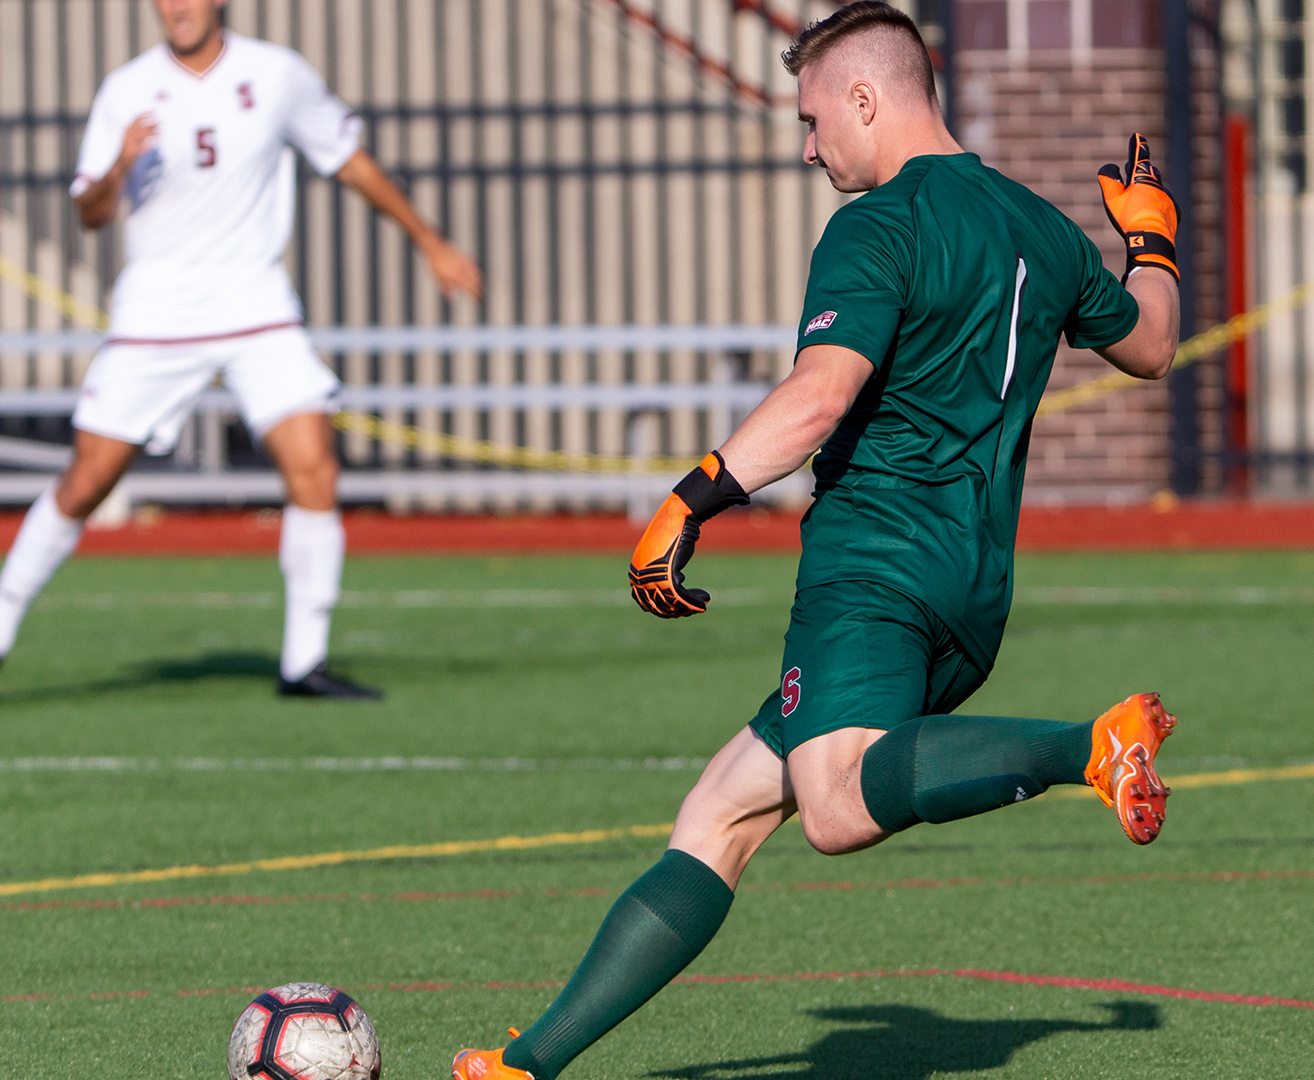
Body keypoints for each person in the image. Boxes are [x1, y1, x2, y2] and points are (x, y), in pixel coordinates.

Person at [450, 4, 1181, 1077]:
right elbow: (1155, 344)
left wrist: (692, 498)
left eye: (810, 117)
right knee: (722, 813)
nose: (807, 146)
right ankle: (526, 1063)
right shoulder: (1040, 226)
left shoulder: (878, 225)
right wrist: (1152, 237)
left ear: (866, 99)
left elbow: (819, 393)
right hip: (973, 591)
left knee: (836, 804)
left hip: (874, 567)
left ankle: (1090, 745)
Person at [0, 0, 482, 704]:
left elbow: (351, 163)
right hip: (157, 312)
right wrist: (118, 166)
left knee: (314, 468)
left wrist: (429, 240)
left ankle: (303, 663)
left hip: (255, 305)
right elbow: (89, 214)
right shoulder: (127, 88)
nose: (177, 6)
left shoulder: (276, 74)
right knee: (86, 483)